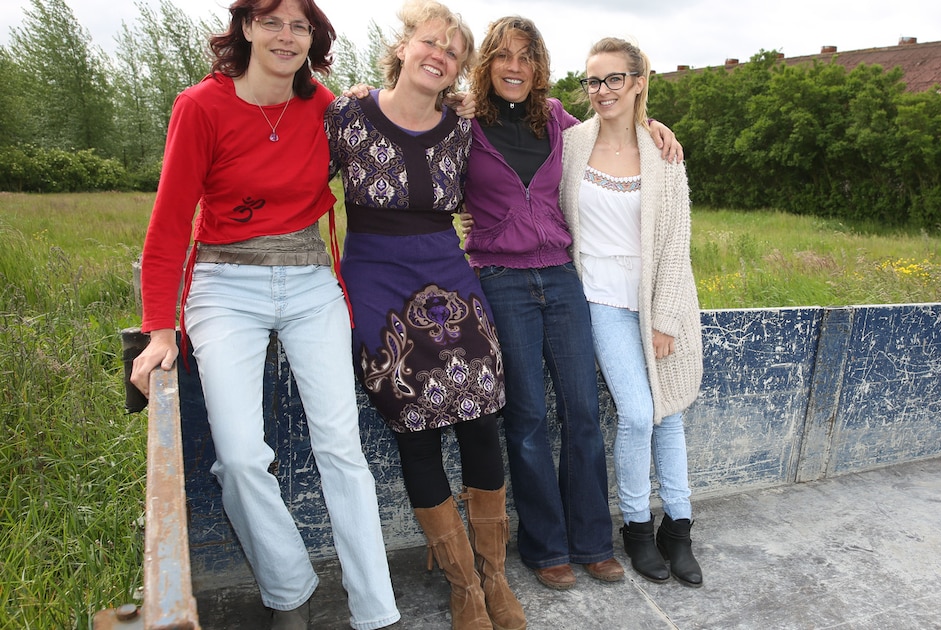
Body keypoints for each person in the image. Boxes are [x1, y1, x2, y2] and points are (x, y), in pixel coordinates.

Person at [129, 0, 402, 628]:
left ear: (313, 39)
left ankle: (376, 611)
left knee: (342, 448)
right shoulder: (201, 105)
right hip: (225, 285)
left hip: (309, 281)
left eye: (299, 26)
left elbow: (400, 126)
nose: (286, 36)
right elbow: (169, 223)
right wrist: (159, 330)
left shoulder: (326, 107)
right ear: (247, 27)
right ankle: (289, 590)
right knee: (241, 458)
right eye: (272, 22)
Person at [461, 16, 682, 591]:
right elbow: (410, 130)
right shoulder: (463, 122)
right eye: (503, 56)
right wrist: (364, 92)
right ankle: (546, 546)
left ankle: (592, 542)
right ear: (487, 64)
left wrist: (654, 126)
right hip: (501, 279)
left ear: (540, 66)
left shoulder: (557, 119)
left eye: (527, 57)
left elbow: (615, 125)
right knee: (528, 418)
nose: (515, 67)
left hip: (563, 278)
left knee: (582, 411)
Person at [324, 2, 523, 629]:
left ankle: (495, 576)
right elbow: (291, 169)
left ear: (459, 70)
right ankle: (464, 587)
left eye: (453, 52)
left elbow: (550, 126)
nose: (440, 55)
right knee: (415, 428)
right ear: (404, 45)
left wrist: (647, 122)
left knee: (482, 419)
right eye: (431, 42)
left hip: (450, 277)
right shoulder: (346, 114)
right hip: (376, 283)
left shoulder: (463, 125)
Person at [559, 38, 705, 588]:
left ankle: (679, 529)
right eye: (593, 81)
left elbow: (676, 241)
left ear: (639, 82)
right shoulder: (571, 143)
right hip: (599, 300)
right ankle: (638, 527)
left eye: (614, 79)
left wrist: (665, 319)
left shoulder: (663, 153)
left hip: (653, 302)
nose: (602, 91)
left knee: (670, 412)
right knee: (640, 413)